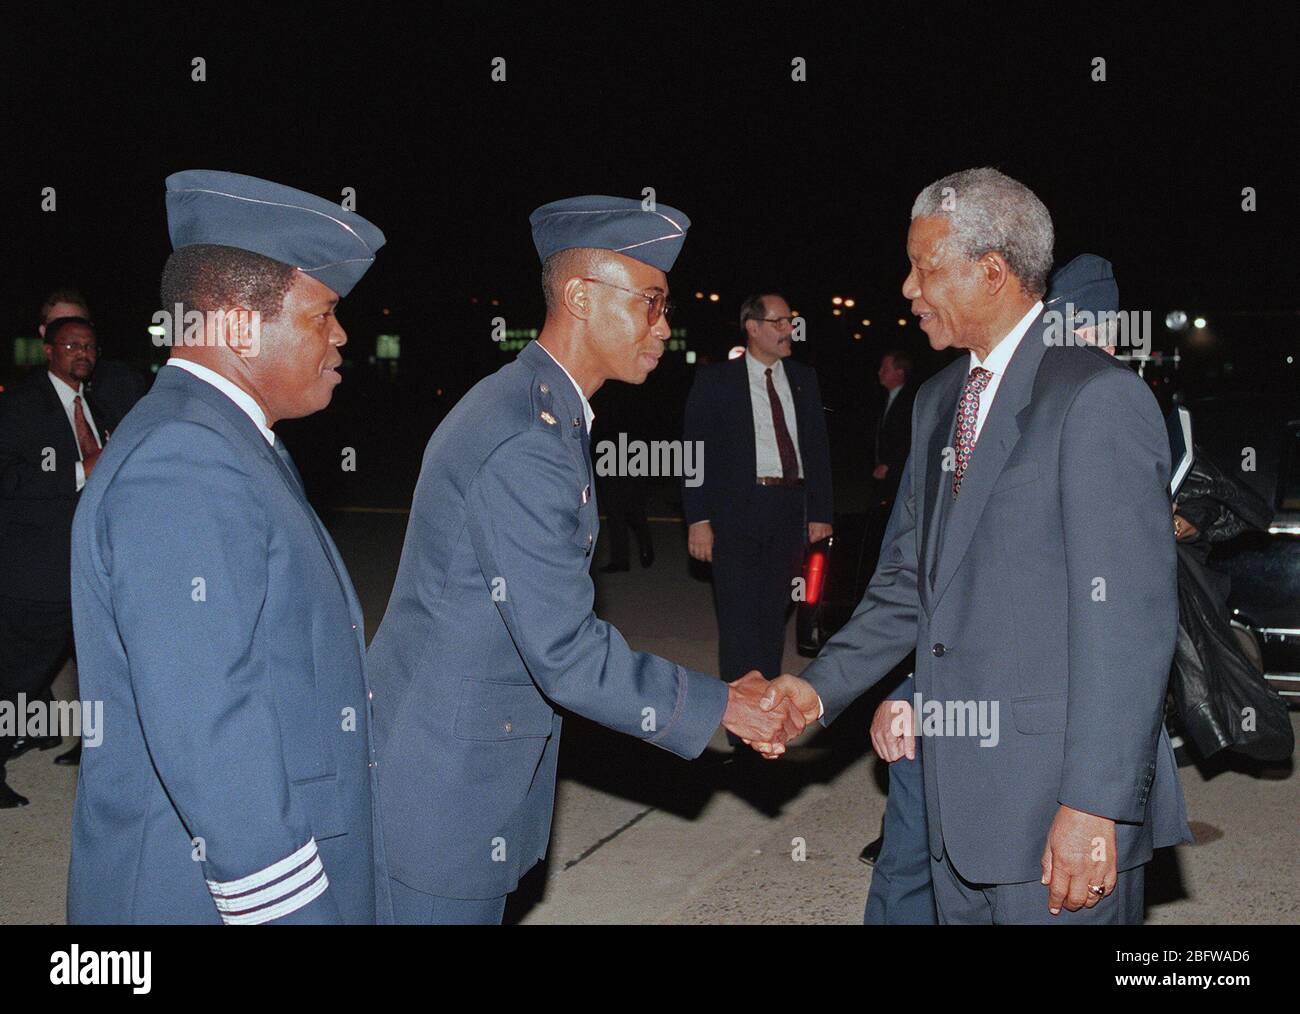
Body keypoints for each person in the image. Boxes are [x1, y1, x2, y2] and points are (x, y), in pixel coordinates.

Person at [758, 169, 1191, 923]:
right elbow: (909, 585)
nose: (907, 287)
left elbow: (1128, 627)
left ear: (993, 272)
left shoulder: (1095, 399)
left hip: (1057, 820)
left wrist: (1094, 807)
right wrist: (818, 687)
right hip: (956, 813)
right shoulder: (938, 403)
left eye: (925, 266)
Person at [366, 195, 804, 925]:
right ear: (579, 296)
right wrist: (723, 704)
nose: (664, 328)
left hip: (464, 767)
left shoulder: (538, 409)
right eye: (651, 304)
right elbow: (564, 650)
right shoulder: (527, 435)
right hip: (443, 789)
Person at [67, 170, 390, 923]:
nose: (341, 334)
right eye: (324, 313)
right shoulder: (185, 459)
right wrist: (291, 910)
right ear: (240, 323)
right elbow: (209, 726)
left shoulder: (230, 439)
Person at [682, 292, 833, 744]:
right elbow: (694, 453)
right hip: (735, 515)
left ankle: (766, 711)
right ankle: (737, 724)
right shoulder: (716, 381)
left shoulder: (804, 379)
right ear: (752, 327)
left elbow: (818, 450)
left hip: (788, 512)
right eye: (780, 321)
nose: (790, 329)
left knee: (772, 618)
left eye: (792, 320)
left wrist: (821, 513)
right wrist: (698, 518)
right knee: (737, 618)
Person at [0, 316, 120, 805]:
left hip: (84, 566)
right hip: (36, 572)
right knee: (18, 675)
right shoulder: (22, 406)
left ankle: (91, 749)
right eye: (72, 345)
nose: (82, 354)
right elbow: (9, 482)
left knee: (103, 663)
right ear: (48, 350)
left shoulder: (91, 402)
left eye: (89, 346)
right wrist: (77, 471)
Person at [872, 349, 915, 506]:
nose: (880, 372)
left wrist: (889, 465)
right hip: (883, 475)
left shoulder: (911, 401)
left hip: (899, 476)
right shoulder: (883, 398)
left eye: (885, 369)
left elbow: (909, 439)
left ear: (899, 372)